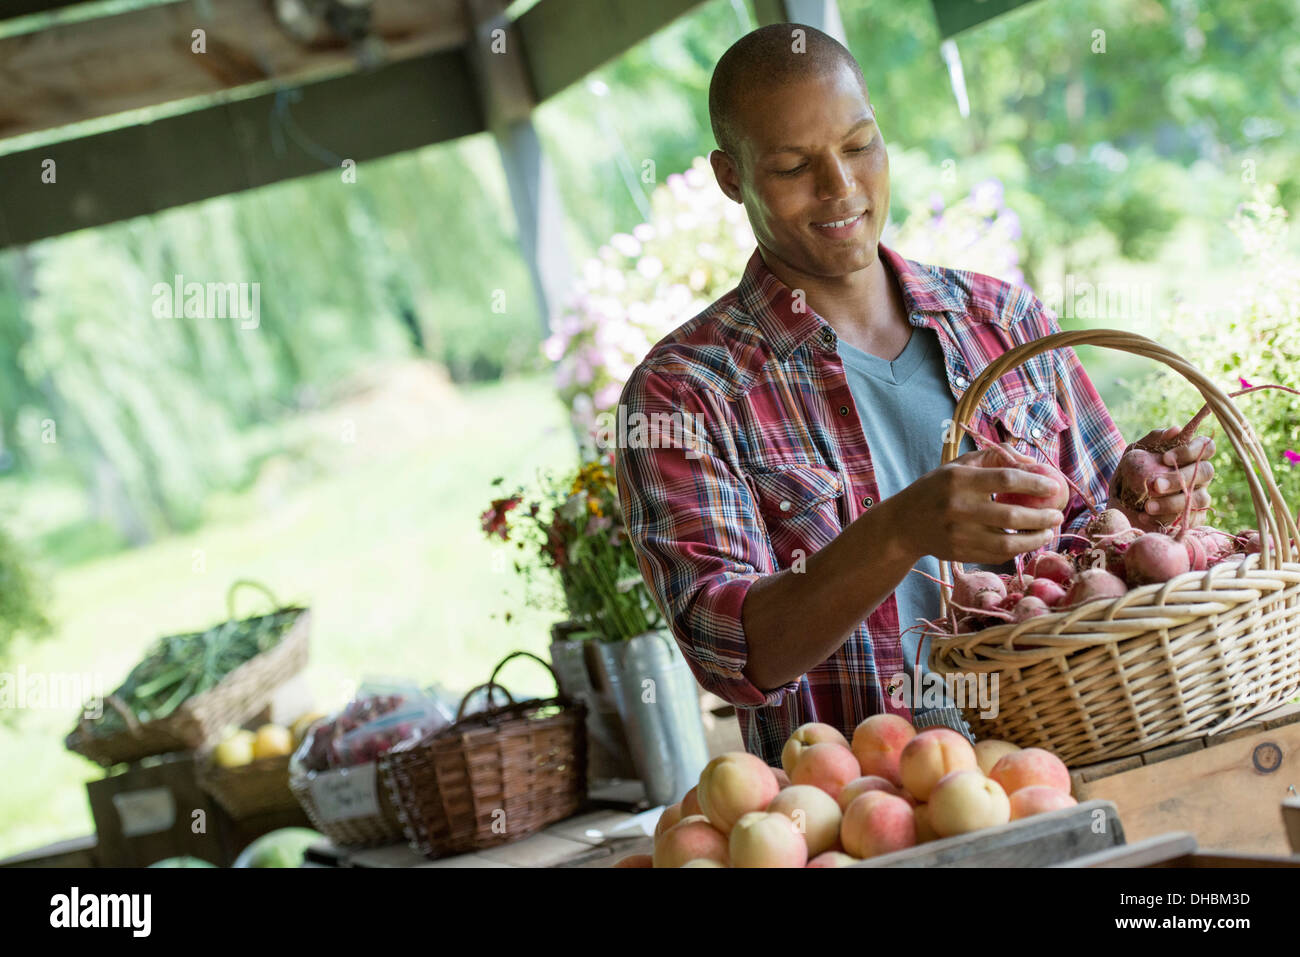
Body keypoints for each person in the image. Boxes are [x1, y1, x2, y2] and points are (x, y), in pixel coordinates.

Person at [612, 23, 1215, 767]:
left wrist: (1150, 493)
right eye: (795, 165)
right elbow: (730, 653)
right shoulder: (683, 395)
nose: (840, 187)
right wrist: (899, 531)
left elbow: (1102, 531)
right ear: (730, 177)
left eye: (859, 145)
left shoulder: (1006, 322)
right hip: (876, 810)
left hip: (1082, 758)